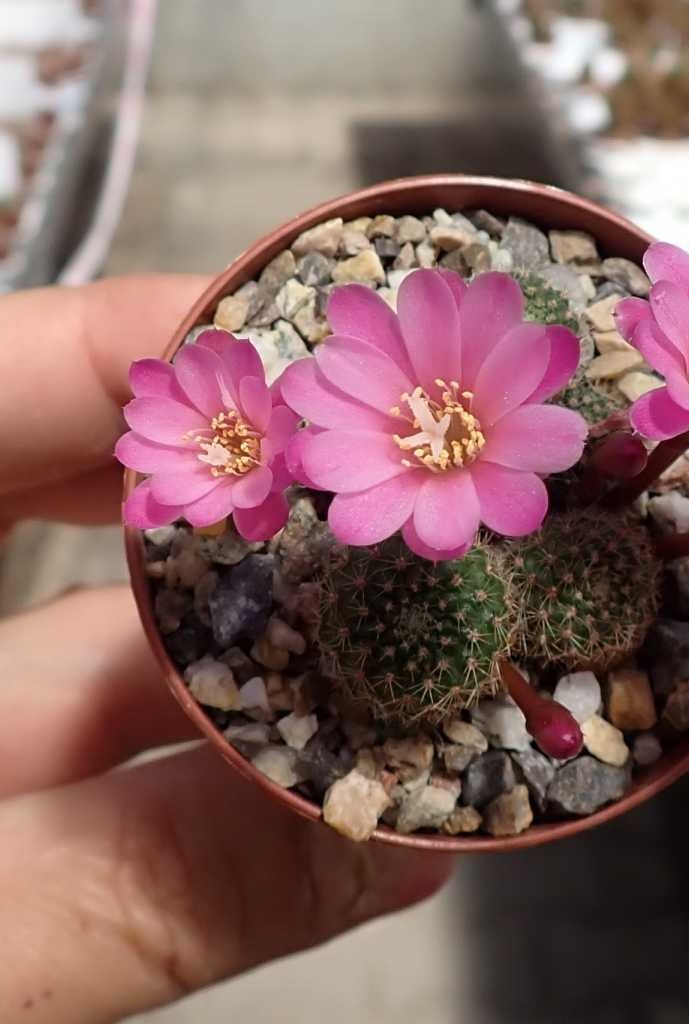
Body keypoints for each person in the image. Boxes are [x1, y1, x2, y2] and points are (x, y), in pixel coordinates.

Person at [0, 276, 454, 1023]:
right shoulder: (241, 468)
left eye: (236, 440)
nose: (230, 446)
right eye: (219, 445)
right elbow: (156, 476)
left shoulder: (283, 433)